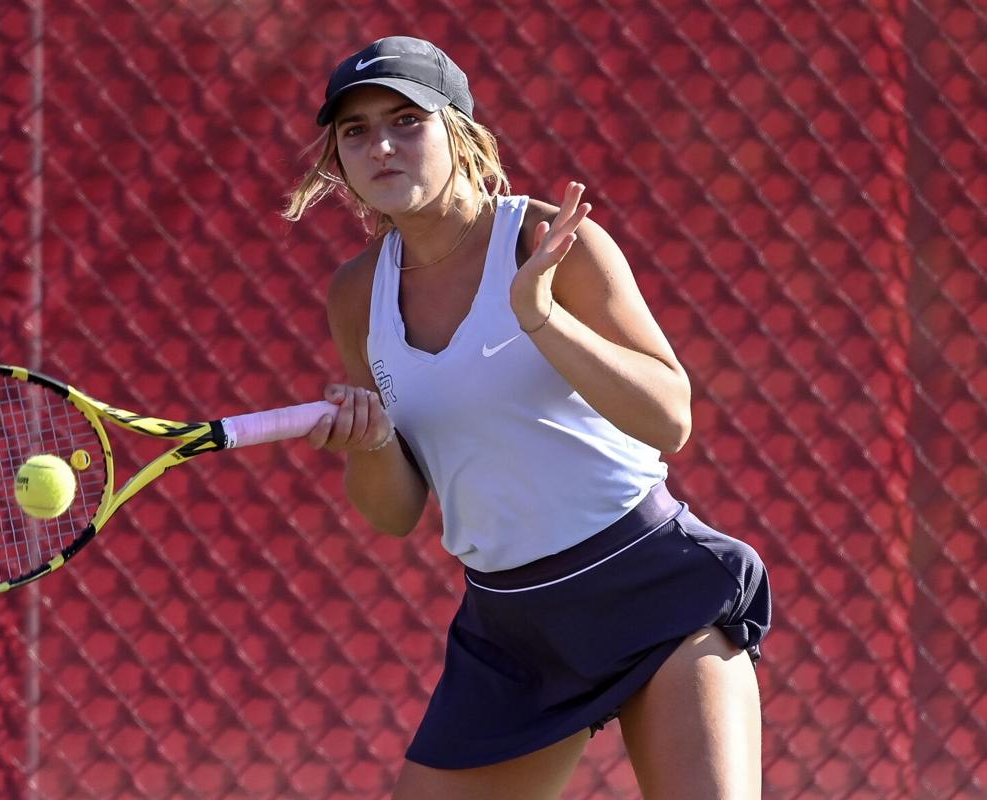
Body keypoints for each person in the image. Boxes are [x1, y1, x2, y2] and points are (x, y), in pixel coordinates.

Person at [285, 35, 771, 800]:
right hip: (513, 632)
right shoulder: (357, 294)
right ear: (338, 159)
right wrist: (372, 443)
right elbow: (395, 513)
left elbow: (670, 418)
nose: (381, 144)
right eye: (355, 130)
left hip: (650, 588)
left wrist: (543, 319)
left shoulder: (547, 239)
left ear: (462, 133)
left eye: (407, 120)